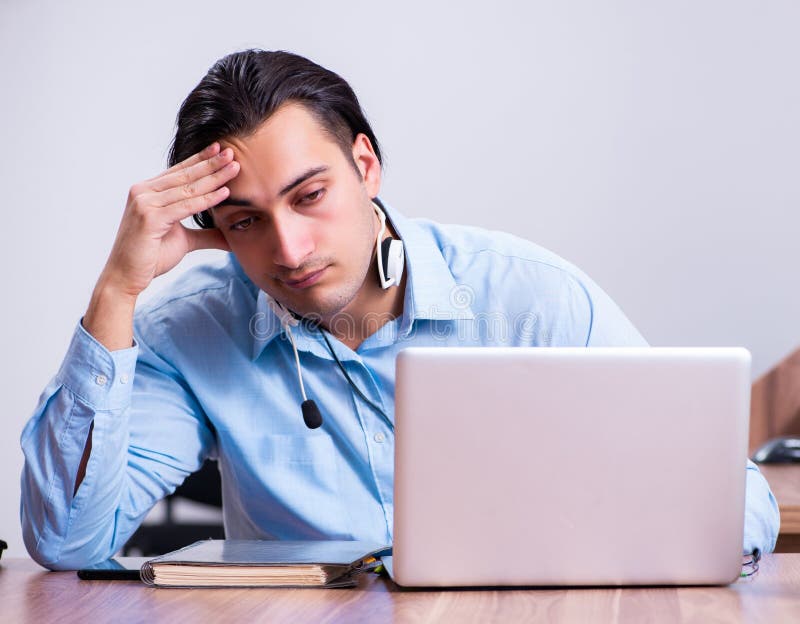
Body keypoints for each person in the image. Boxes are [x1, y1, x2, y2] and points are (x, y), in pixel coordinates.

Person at [20, 50, 779, 570]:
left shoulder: (529, 298)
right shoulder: (190, 331)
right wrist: (115, 294)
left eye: (309, 196)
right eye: (244, 220)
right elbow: (68, 540)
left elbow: (740, 507)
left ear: (365, 164)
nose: (288, 250)